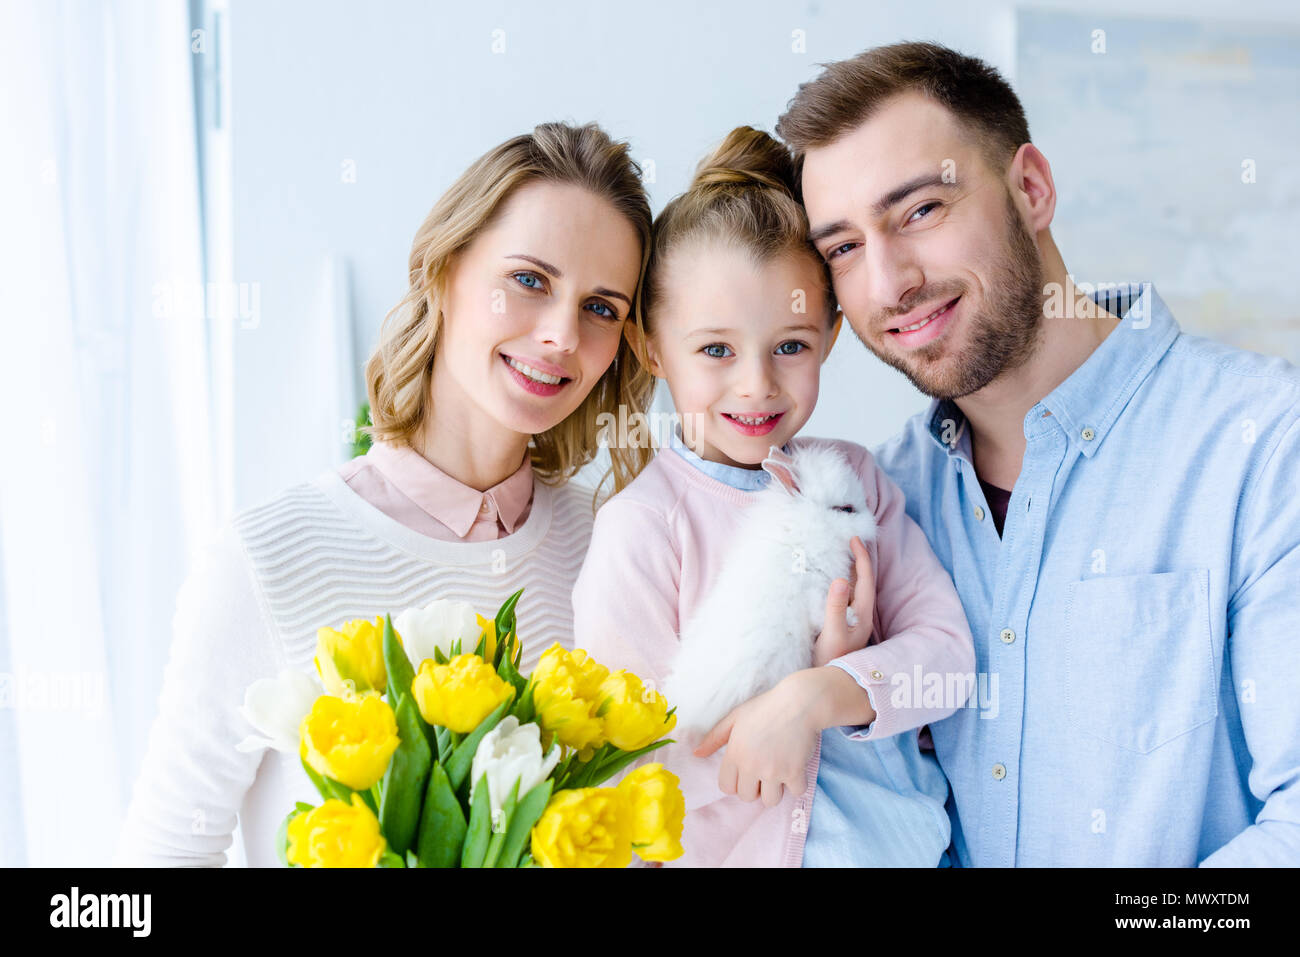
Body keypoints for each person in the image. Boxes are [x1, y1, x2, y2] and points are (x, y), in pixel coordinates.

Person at [776, 40, 1300, 866]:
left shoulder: (1264, 442)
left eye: (919, 211)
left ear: (1031, 188)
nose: (889, 284)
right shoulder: (878, 503)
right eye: (842, 247)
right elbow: (889, 828)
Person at [114, 121, 656, 866]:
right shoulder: (266, 558)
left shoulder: (615, 544)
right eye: (529, 280)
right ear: (443, 270)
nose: (563, 334)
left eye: (602, 307)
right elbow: (160, 859)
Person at [571, 126, 975, 867]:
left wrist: (825, 690)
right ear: (651, 348)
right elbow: (627, 761)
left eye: (789, 345)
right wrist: (773, 711)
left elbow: (947, 660)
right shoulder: (644, 527)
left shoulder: (854, 485)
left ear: (831, 334)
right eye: (716, 349)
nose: (756, 384)